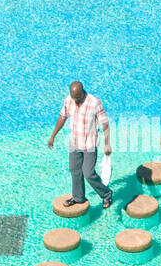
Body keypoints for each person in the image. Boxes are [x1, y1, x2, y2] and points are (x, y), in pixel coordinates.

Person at [47, 80, 113, 209]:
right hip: (75, 143)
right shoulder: (69, 100)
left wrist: (107, 144)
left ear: (83, 92)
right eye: (73, 98)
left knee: (88, 173)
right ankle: (78, 197)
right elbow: (62, 117)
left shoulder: (94, 103)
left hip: (89, 145)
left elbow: (104, 123)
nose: (76, 101)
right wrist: (53, 136)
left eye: (78, 98)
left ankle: (106, 194)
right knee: (74, 170)